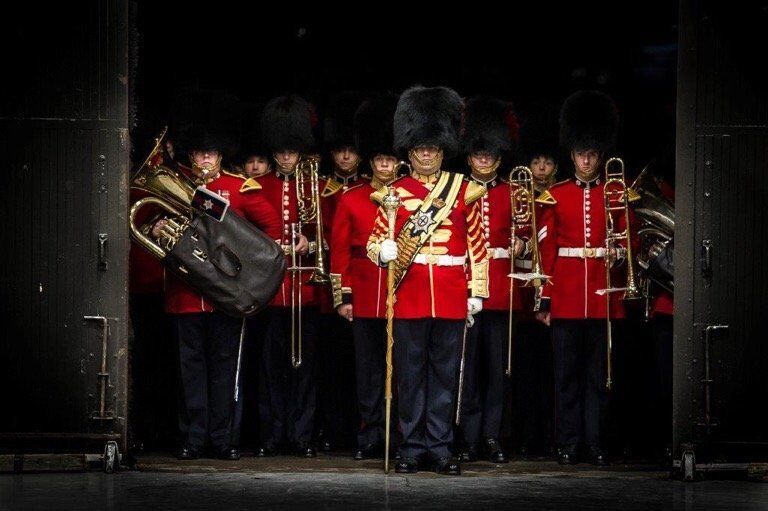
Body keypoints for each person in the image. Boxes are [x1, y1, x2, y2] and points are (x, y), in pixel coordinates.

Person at [366, 86, 489, 475]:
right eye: (419, 147)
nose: (425, 154)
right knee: (410, 376)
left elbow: (478, 245)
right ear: (409, 150)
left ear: (442, 150)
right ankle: (412, 445)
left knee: (443, 376)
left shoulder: (462, 191)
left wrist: (477, 292)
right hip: (410, 295)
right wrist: (382, 251)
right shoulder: (393, 194)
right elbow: (373, 242)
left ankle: (439, 446)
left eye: (432, 148)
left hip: (451, 294)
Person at [156, 90, 282, 461]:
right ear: (191, 155)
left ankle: (223, 438)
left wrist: (249, 270)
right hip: (184, 294)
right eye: (199, 152)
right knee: (190, 372)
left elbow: (270, 232)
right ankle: (194, 439)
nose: (205, 158)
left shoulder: (238, 189)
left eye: (210, 152)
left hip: (225, 296)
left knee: (226, 369)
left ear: (221, 154)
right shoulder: (172, 187)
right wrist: (162, 225)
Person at [535, 90, 631, 466]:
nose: (587, 160)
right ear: (571, 154)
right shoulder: (556, 196)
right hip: (568, 296)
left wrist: (621, 251)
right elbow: (548, 252)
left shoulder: (617, 192)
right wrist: (545, 299)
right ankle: (569, 442)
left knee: (600, 377)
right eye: (580, 153)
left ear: (600, 153)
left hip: (604, 297)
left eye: (592, 153)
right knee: (568, 378)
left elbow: (629, 238)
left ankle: (595, 441)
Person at [330, 93, 400, 460]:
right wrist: (343, 297)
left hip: (402, 297)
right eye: (381, 159)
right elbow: (340, 251)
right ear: (372, 161)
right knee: (368, 373)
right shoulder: (353, 197)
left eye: (391, 159)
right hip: (365, 293)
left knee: (401, 371)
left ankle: (397, 434)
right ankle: (370, 434)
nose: (386, 165)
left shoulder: (410, 197)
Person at [456, 96, 524, 464]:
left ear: (499, 157)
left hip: (499, 292)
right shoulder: (455, 190)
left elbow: (530, 240)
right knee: (467, 371)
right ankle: (468, 437)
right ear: (469, 156)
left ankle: (492, 436)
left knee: (497, 371)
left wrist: (522, 242)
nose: (483, 159)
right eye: (478, 154)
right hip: (464, 290)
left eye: (489, 154)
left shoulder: (512, 193)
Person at [255, 95, 320, 458]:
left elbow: (324, 234)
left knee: (305, 370)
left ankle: (301, 435)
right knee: (271, 369)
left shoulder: (313, 185)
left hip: (304, 290)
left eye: (291, 151)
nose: (285, 157)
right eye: (280, 151)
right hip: (271, 291)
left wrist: (309, 241)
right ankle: (272, 433)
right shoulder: (258, 186)